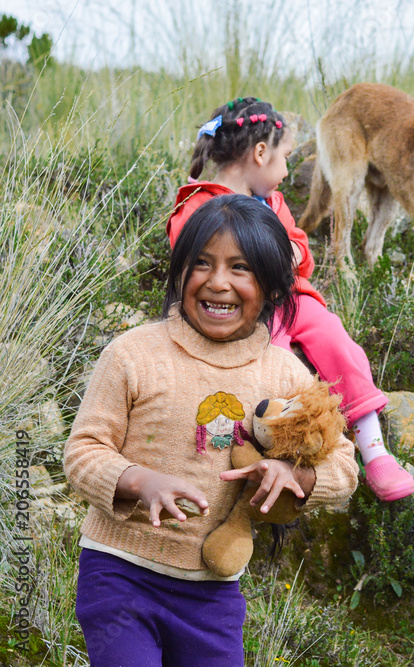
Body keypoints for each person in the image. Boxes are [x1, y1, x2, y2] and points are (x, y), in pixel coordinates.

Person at [65, 195, 360, 665]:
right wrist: (140, 480)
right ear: (180, 273)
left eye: (240, 268)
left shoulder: (285, 375)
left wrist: (298, 477)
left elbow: (344, 465)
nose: (217, 282)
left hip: (212, 594)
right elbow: (83, 451)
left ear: (273, 287)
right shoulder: (134, 354)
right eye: (201, 263)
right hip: (120, 574)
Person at [167, 96, 414, 502]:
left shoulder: (274, 203)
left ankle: (373, 448)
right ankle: (278, 451)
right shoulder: (198, 202)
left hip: (291, 298)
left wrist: (287, 253)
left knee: (334, 337)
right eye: (285, 158)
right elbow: (186, 251)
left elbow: (300, 252)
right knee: (276, 360)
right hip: (243, 310)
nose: (286, 171)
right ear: (261, 153)